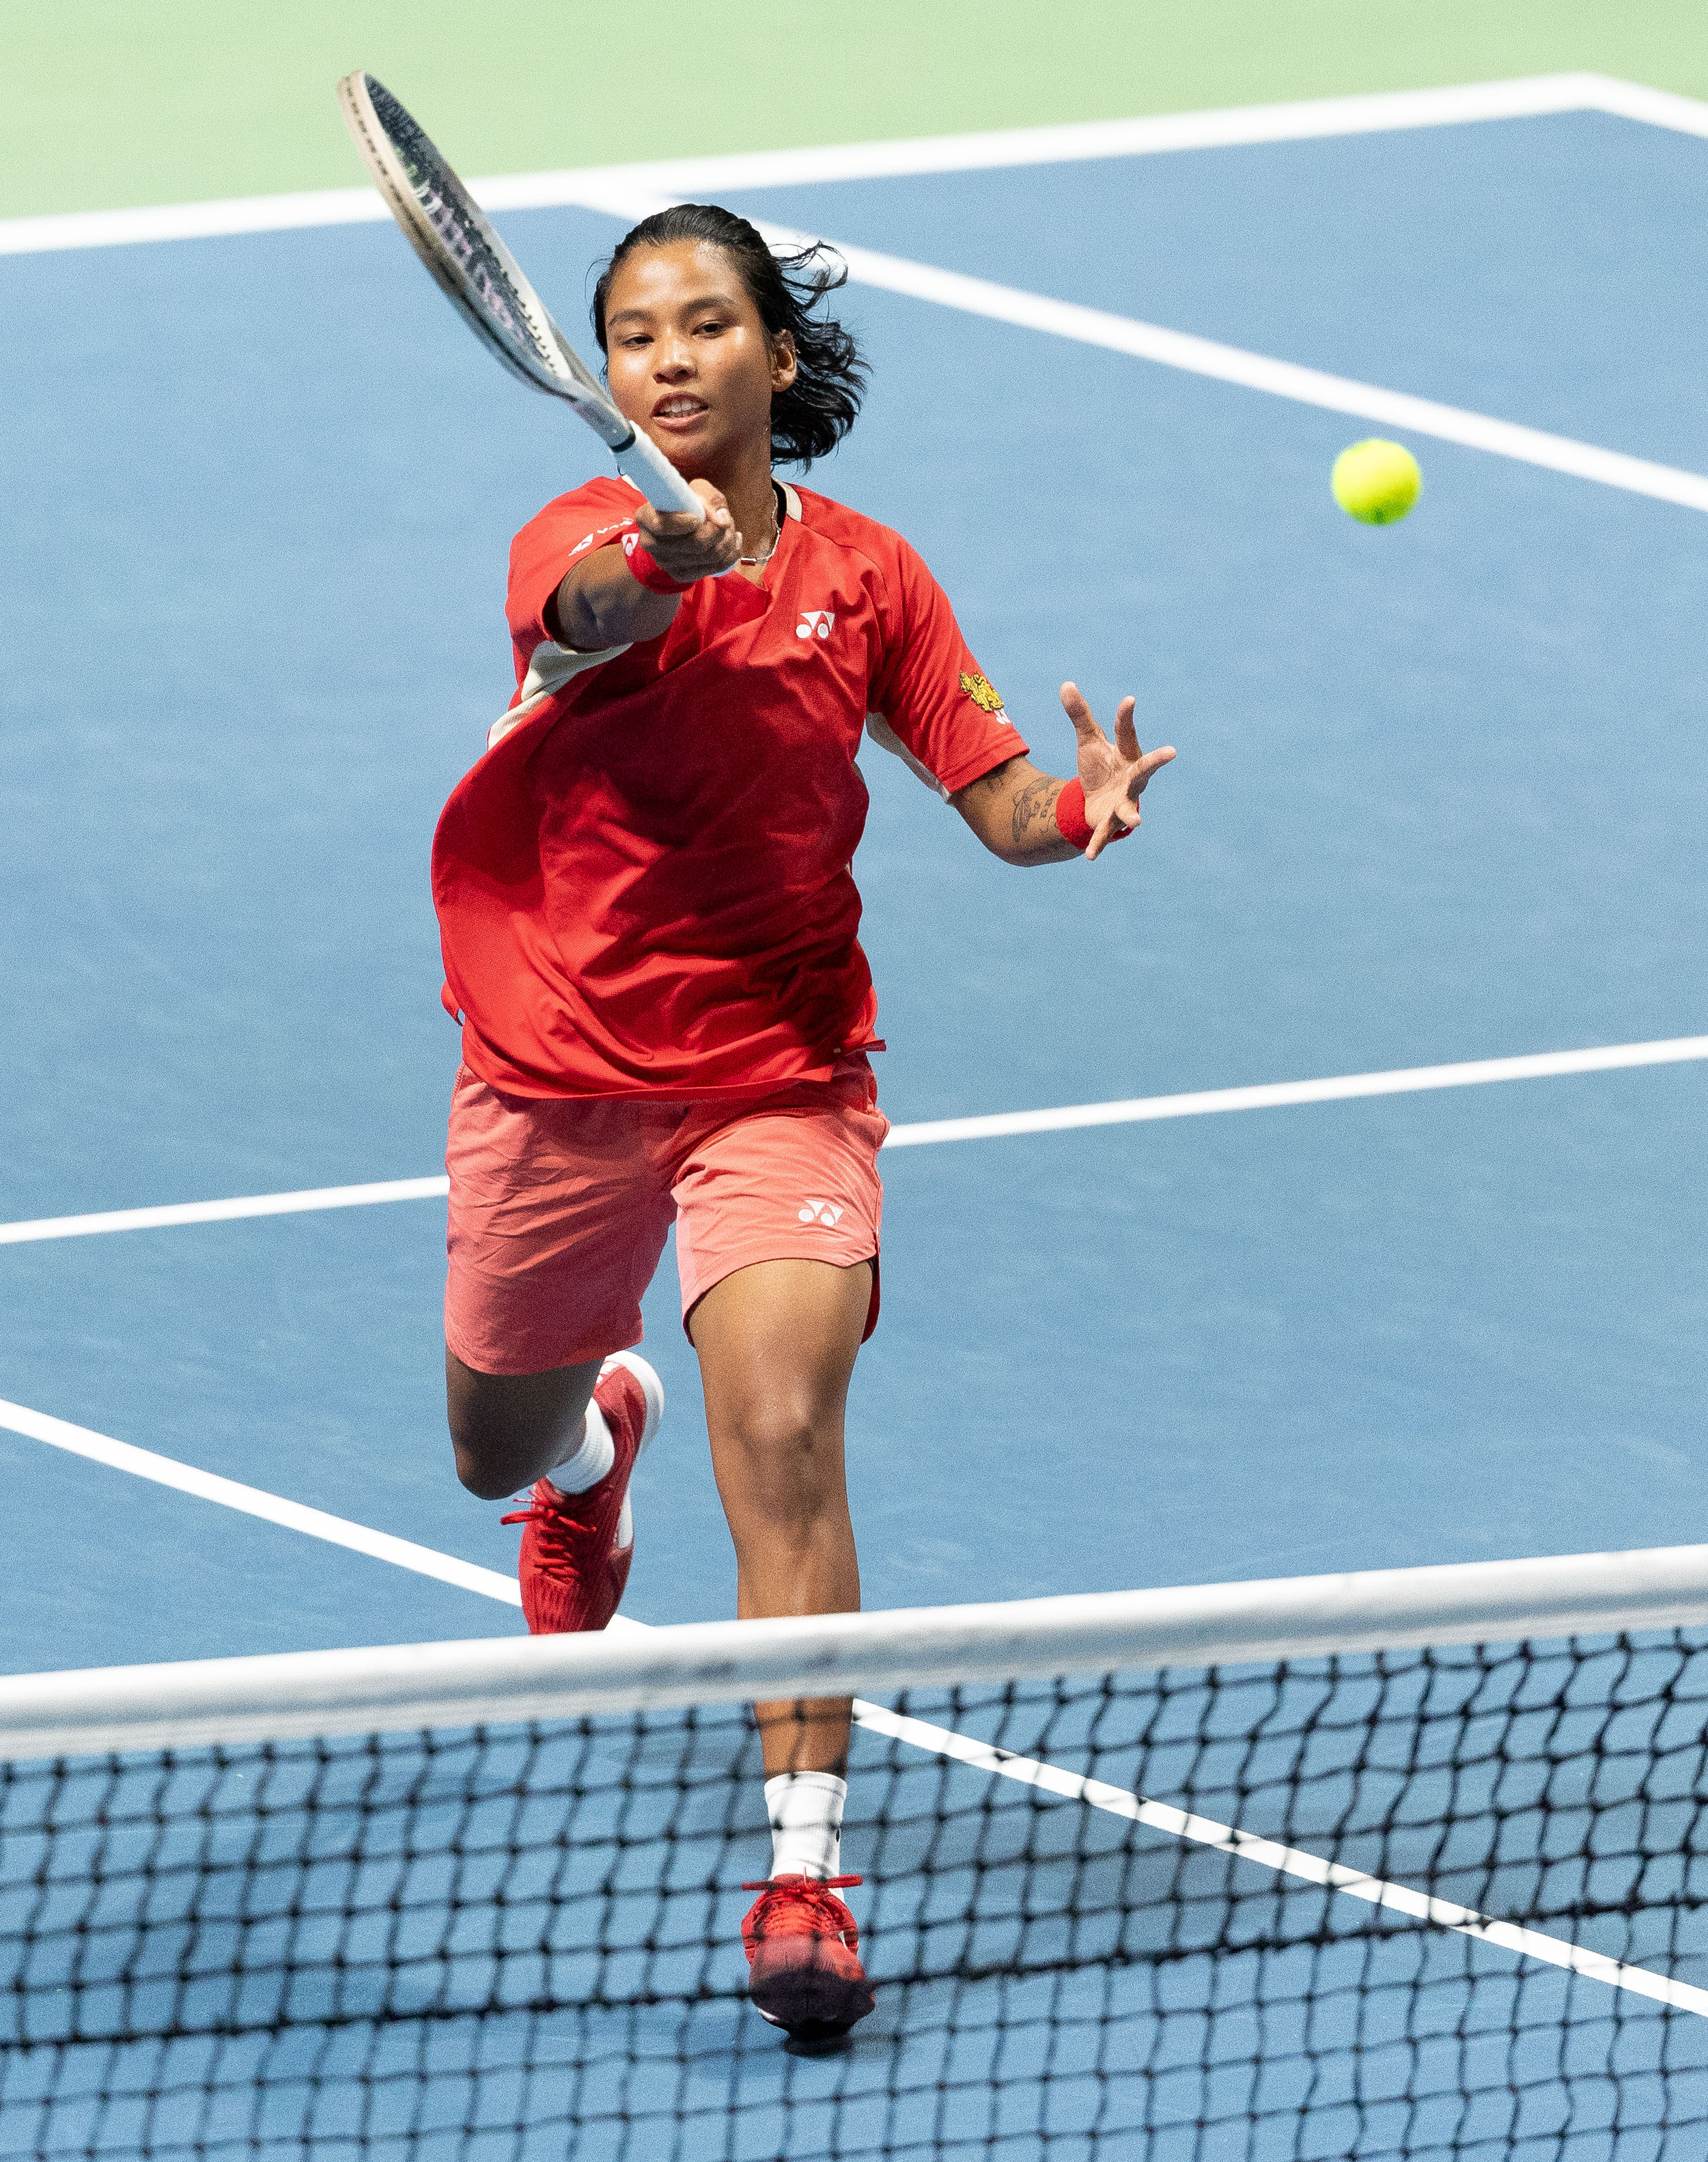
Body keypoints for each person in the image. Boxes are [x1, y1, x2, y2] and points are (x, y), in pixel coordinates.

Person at [431, 204, 1175, 2045]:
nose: (668, 358)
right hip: (555, 1074)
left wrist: (1076, 812)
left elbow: (994, 797)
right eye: (633, 335)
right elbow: (587, 607)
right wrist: (657, 564)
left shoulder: (869, 575)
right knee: (488, 1446)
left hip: (778, 1072)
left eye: (703, 325)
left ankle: (806, 1875)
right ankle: (588, 1462)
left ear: (775, 353)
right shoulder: (574, 541)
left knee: (780, 1428)